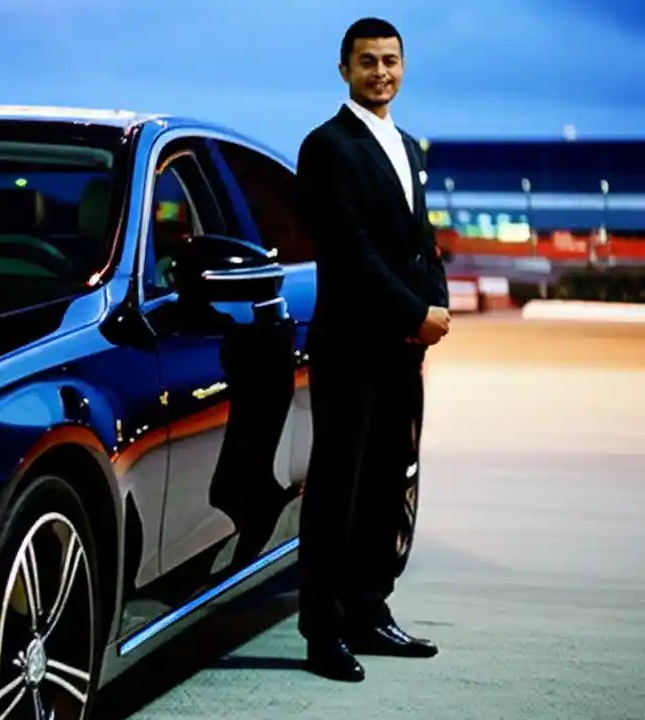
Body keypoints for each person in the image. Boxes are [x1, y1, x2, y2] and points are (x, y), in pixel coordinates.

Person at [294, 17, 451, 682]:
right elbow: (347, 247)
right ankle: (322, 631)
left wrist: (436, 302)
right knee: (337, 489)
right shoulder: (326, 146)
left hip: (399, 351)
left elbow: (420, 239)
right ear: (344, 70)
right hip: (351, 348)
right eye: (367, 62)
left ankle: (368, 610)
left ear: (403, 66)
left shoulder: (409, 144)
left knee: (388, 485)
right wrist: (415, 312)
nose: (380, 72)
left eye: (390, 61)